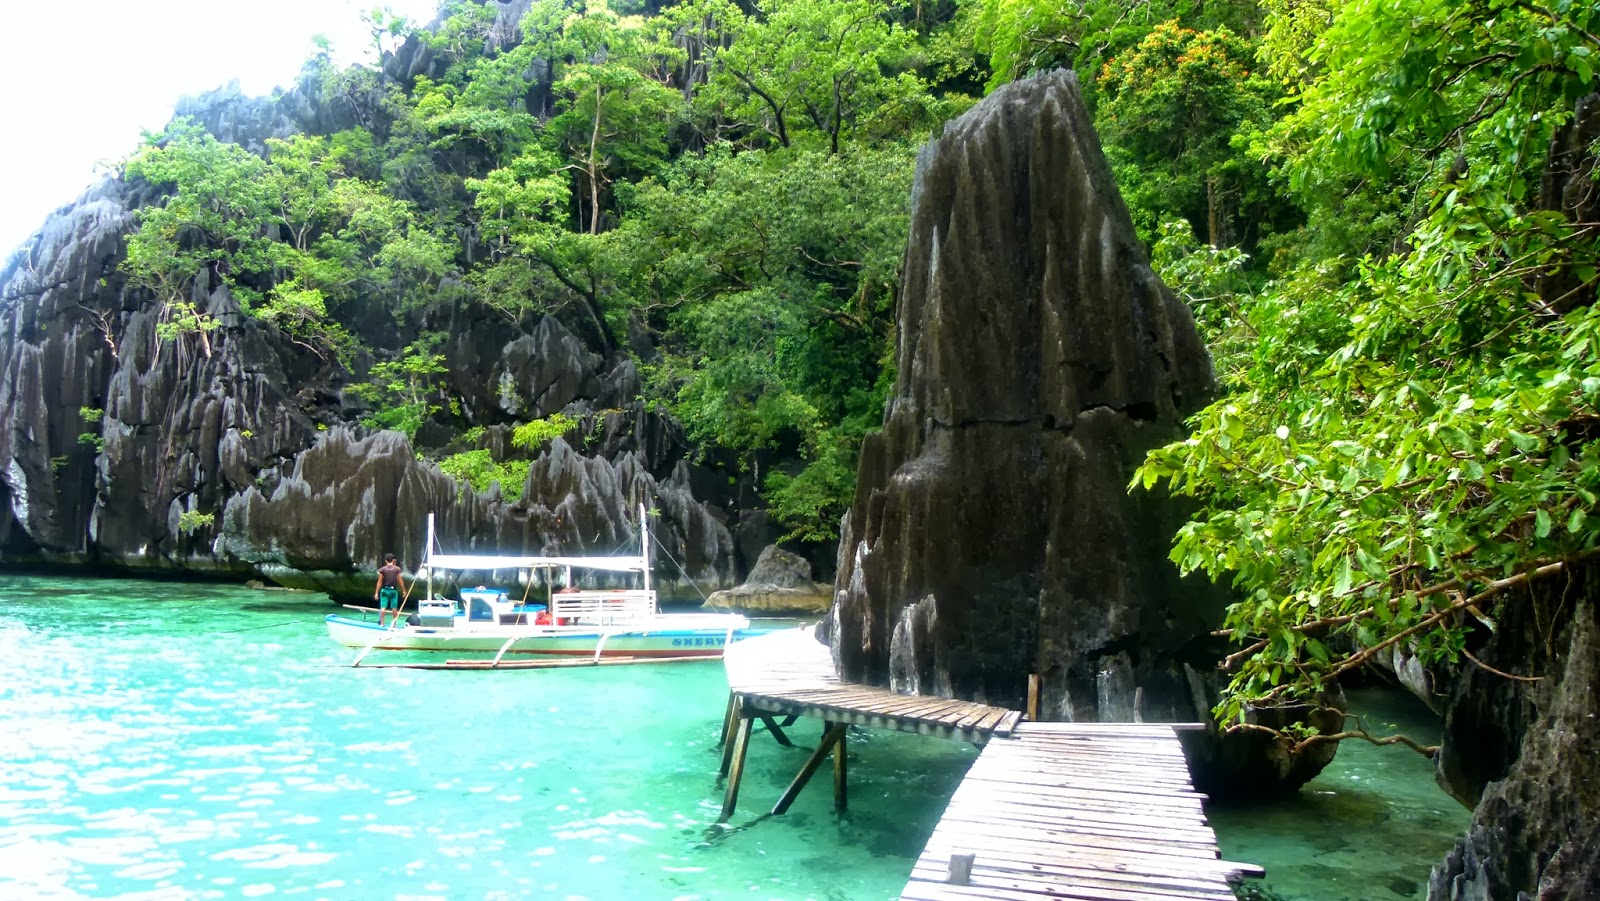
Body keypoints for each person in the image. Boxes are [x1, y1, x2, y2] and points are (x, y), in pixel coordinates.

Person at [374, 553, 407, 625]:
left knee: (383, 607)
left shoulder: (382, 570)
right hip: (393, 591)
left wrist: (376, 592)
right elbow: (400, 580)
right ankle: (394, 624)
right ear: (393, 560)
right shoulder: (397, 569)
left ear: (386, 561)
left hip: (384, 590)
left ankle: (382, 623)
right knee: (394, 608)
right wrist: (404, 590)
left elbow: (379, 582)